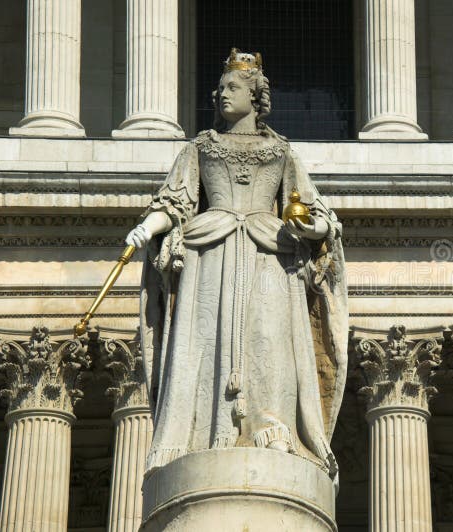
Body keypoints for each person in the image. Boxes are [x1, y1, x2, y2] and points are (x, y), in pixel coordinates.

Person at [125, 49, 348, 479]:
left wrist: (313, 230)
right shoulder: (200, 148)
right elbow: (176, 201)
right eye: (221, 88)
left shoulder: (282, 151)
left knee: (269, 336)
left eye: (232, 88)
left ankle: (272, 423)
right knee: (203, 335)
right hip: (210, 250)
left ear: (255, 95)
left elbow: (313, 211)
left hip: (270, 251)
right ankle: (203, 431)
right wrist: (147, 227)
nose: (222, 95)